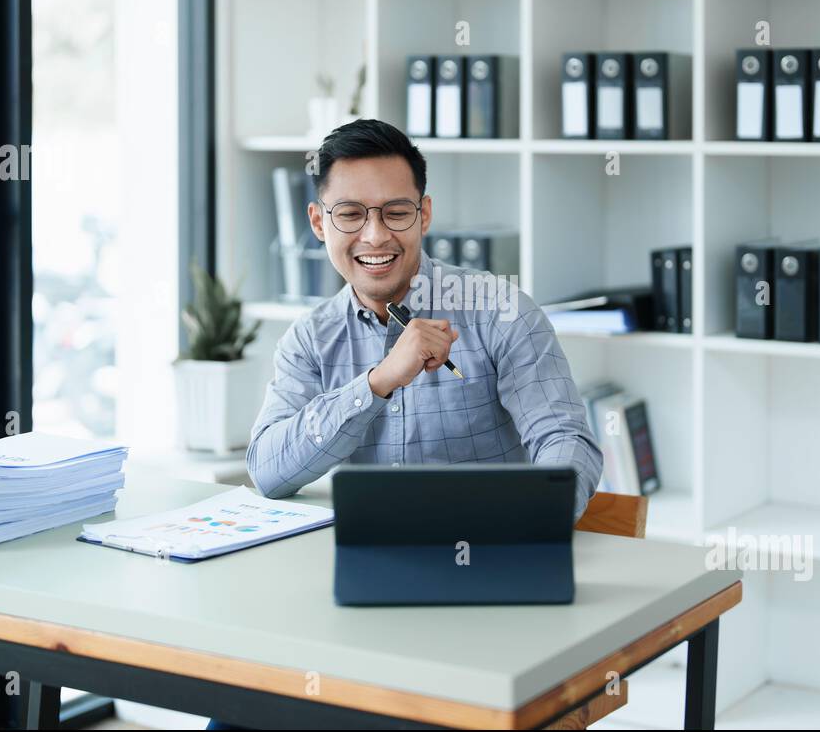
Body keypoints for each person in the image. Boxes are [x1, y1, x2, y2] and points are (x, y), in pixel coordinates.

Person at [245, 118, 603, 518]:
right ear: (318, 223)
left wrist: (528, 524)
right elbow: (267, 471)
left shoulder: (502, 311)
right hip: (370, 561)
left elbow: (564, 439)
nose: (376, 236)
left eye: (396, 213)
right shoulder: (310, 339)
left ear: (424, 215)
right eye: (350, 214)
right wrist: (377, 382)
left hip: (489, 552)